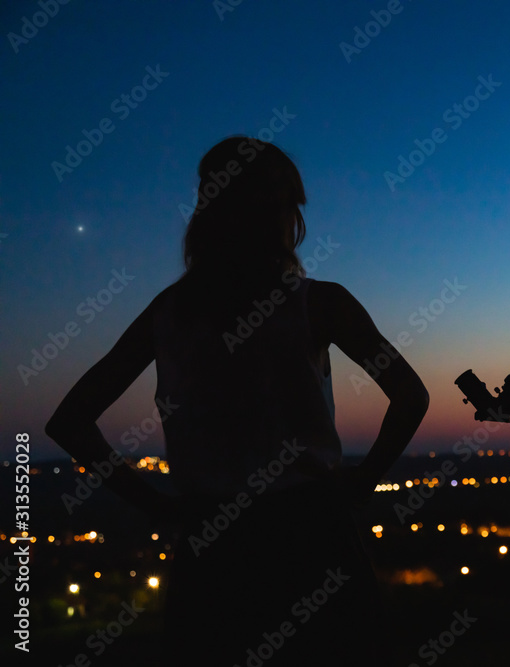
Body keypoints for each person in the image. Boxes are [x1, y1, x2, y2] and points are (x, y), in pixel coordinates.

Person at [46, 136, 429, 665]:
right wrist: (359, 484)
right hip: (311, 541)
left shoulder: (169, 313)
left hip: (213, 552)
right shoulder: (321, 304)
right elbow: (410, 395)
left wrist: (160, 506)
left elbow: (70, 421)